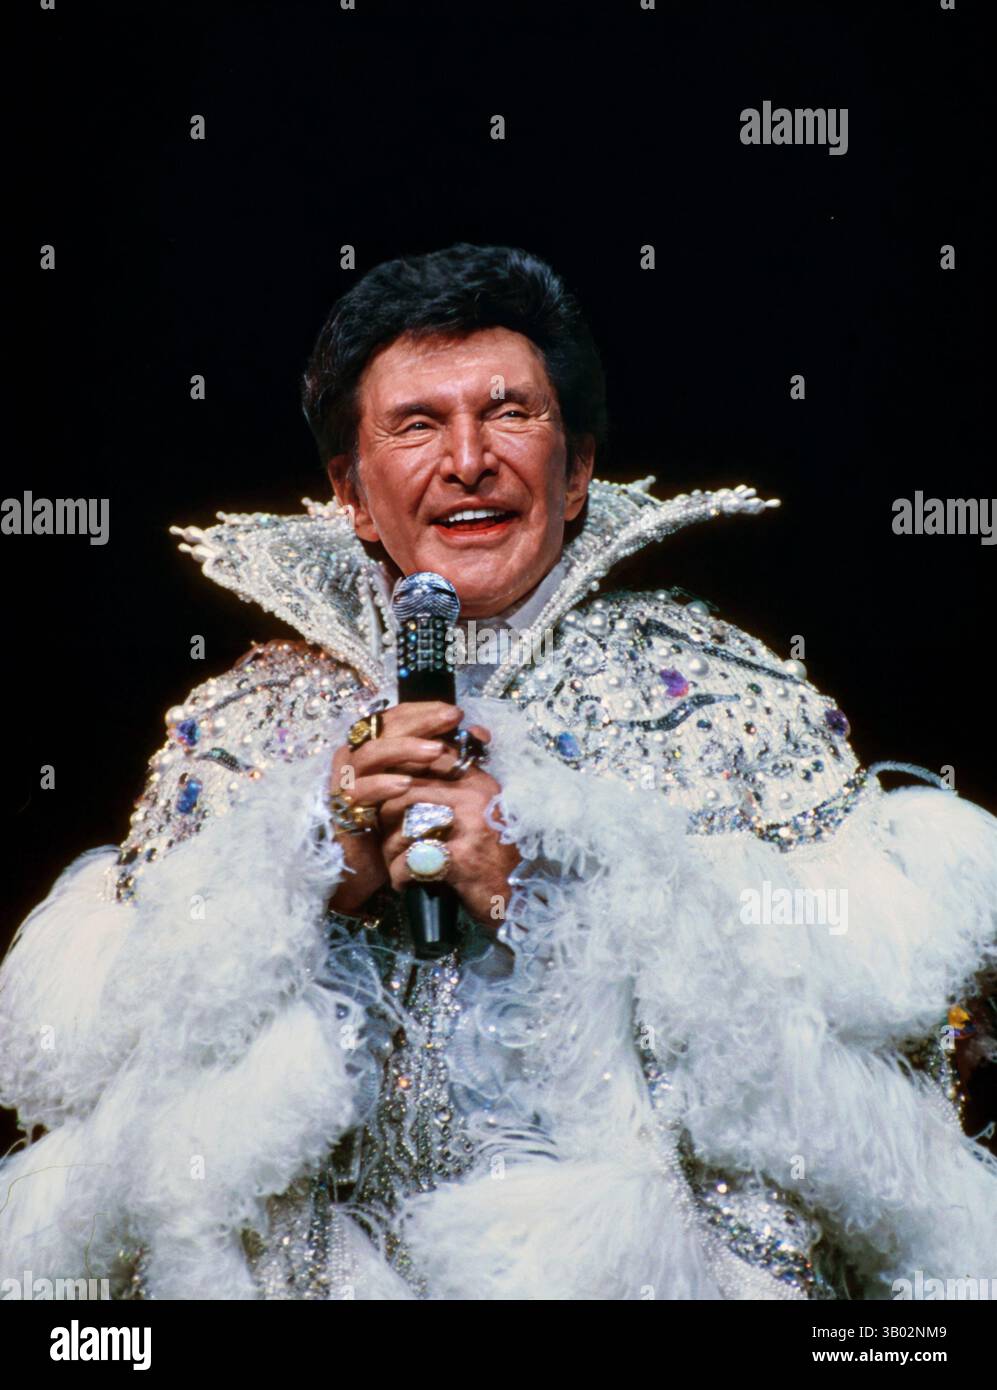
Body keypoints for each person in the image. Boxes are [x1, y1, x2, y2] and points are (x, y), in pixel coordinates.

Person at [1, 244, 995, 1302]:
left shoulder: (729, 700)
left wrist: (554, 895)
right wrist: (302, 863)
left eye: (508, 412)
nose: (467, 459)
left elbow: (885, 1088)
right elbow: (114, 1104)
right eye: (416, 423)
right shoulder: (237, 728)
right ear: (351, 490)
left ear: (575, 474)